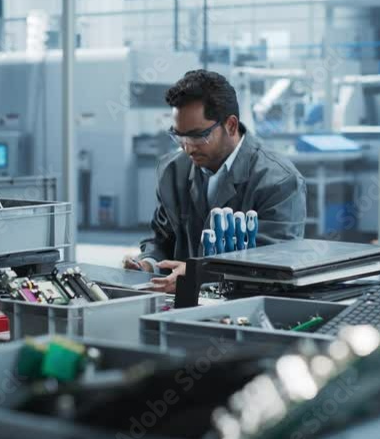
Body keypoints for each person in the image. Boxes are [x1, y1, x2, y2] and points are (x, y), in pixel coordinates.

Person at [124, 69, 307, 293]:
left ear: (231, 125)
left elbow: (275, 262)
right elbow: (162, 240)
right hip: (181, 303)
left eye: (198, 136)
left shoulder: (279, 181)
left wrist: (199, 274)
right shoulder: (172, 170)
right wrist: (148, 264)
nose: (187, 147)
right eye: (179, 135)